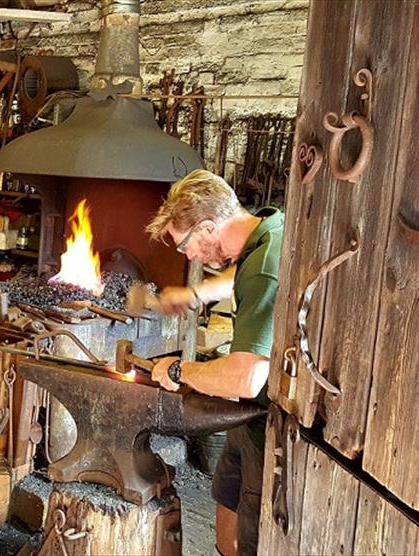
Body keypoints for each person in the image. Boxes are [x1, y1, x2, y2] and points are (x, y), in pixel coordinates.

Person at [144, 169, 283, 556]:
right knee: (226, 496)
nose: (188, 255)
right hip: (246, 419)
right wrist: (198, 293)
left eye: (185, 244)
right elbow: (243, 273)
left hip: (270, 421)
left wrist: (178, 369)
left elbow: (247, 378)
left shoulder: (266, 263)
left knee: (253, 537)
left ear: (207, 227)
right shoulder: (265, 230)